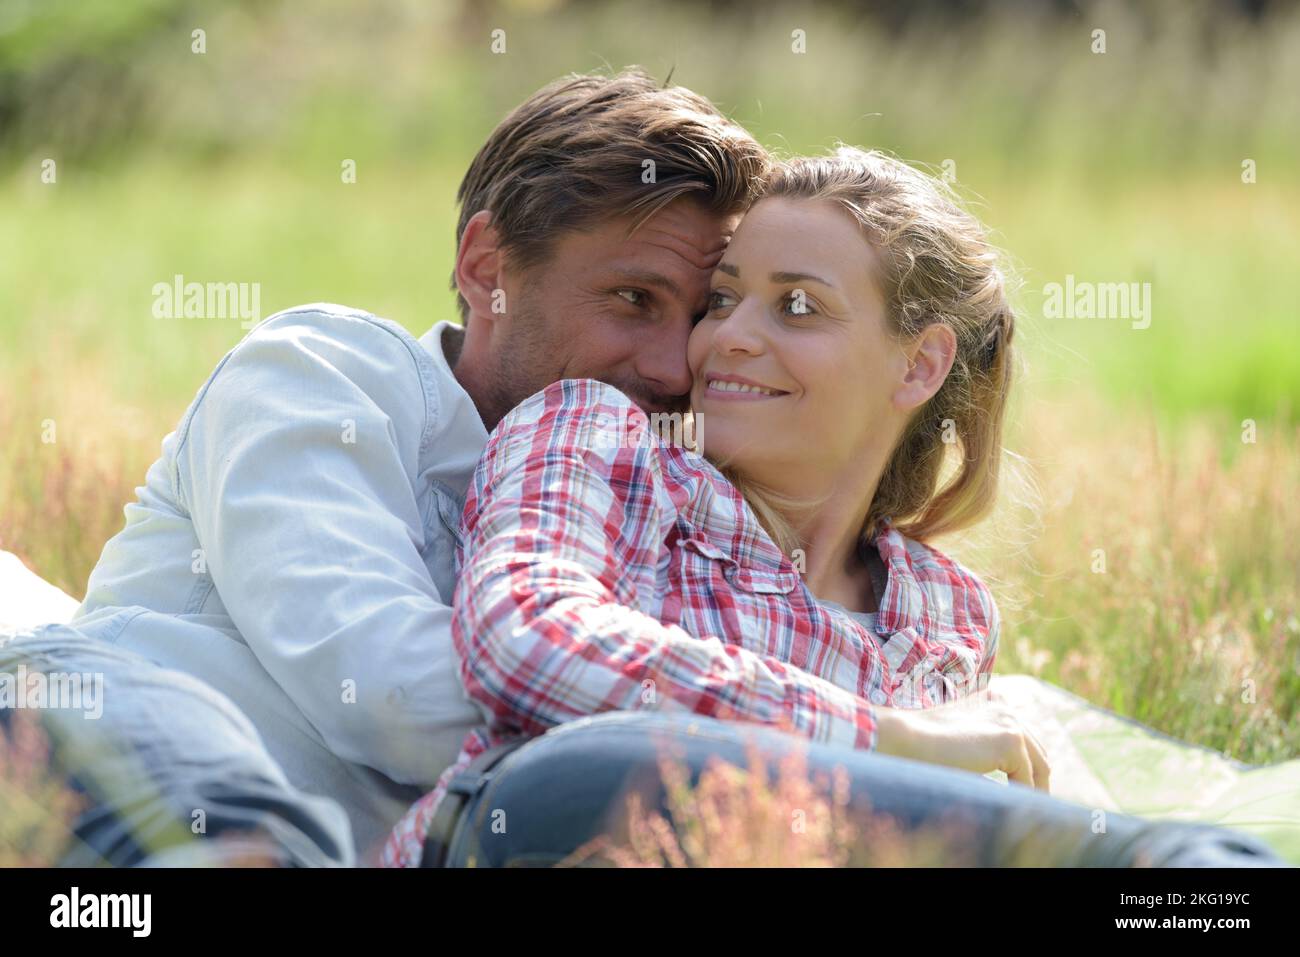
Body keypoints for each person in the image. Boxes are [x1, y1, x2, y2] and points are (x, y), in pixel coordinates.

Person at [379, 148, 1286, 868]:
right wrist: (878, 736)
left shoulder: (947, 614)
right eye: (725, 298)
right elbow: (524, 636)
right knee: (619, 764)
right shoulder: (601, 435)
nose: (730, 334)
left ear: (920, 364)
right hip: (553, 820)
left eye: (797, 307)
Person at [0, 69, 769, 864]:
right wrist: (753, 738)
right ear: (487, 268)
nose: (677, 367)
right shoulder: (321, 370)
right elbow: (384, 689)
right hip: (113, 767)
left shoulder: (675, 502)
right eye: (635, 298)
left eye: (702, 311)